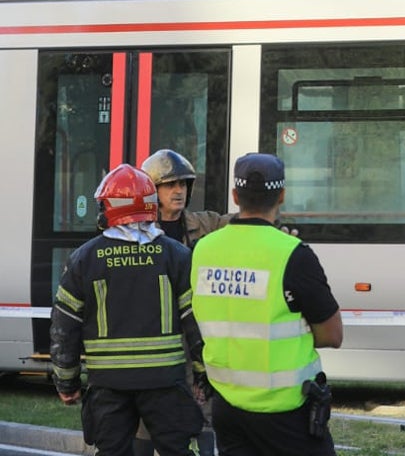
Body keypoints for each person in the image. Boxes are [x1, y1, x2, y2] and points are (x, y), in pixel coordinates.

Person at [190, 152, 343, 456]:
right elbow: (332, 335)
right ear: (282, 195)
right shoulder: (293, 253)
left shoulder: (202, 250)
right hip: (286, 409)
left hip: (227, 406)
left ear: (235, 196)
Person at [49, 164, 205, 456]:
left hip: (108, 385)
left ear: (111, 206)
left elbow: (64, 327)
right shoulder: (177, 255)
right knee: (176, 450)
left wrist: (66, 381)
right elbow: (195, 322)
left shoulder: (84, 259)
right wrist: (201, 374)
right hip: (165, 381)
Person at [135, 149, 230, 456]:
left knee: (205, 415)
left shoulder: (207, 224)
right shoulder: (136, 233)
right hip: (156, 343)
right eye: (170, 185)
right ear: (152, 189)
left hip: (197, 339)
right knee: (147, 422)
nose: (179, 191)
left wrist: (276, 228)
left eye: (184, 184)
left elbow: (245, 224)